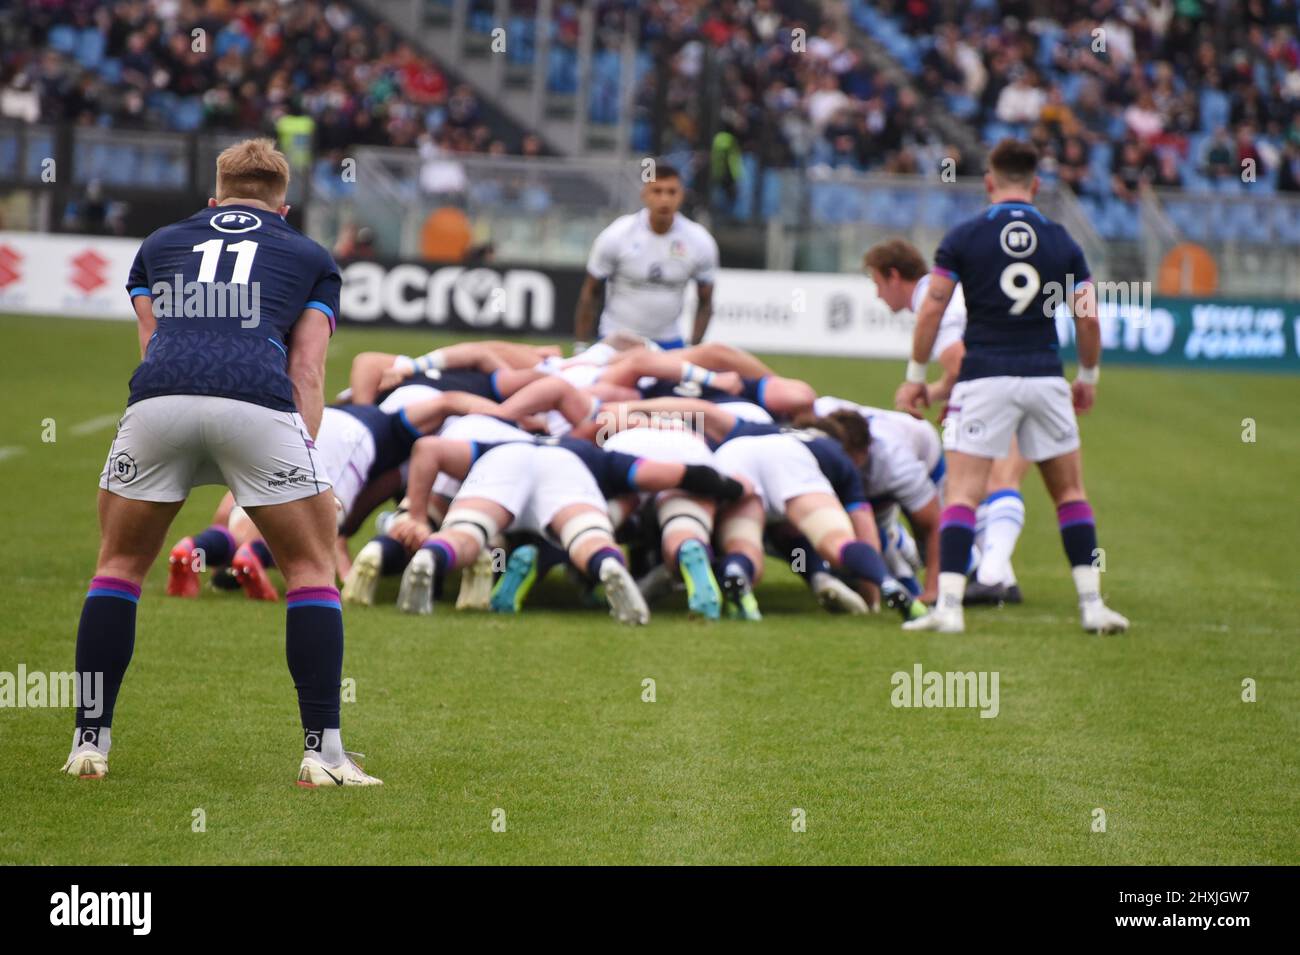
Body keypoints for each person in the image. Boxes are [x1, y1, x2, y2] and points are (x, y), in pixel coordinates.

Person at [63, 138, 381, 787]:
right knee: (313, 567)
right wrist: (307, 467)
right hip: (257, 405)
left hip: (160, 403)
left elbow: (154, 346)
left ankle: (89, 742)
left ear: (213, 197)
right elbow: (309, 370)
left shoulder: (158, 244)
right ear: (283, 207)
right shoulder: (310, 257)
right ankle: (322, 753)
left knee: (118, 567)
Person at [894, 138, 1129, 634]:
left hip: (985, 375)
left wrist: (916, 379)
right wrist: (1086, 377)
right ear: (1037, 184)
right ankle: (1091, 605)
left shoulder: (964, 236)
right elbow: (1087, 318)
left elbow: (933, 307)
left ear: (988, 182)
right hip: (1044, 375)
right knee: (1069, 493)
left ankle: (950, 610)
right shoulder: (1063, 240)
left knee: (962, 494)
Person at [574, 164, 720, 350]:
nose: (664, 199)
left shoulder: (700, 241)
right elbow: (590, 293)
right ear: (644, 195)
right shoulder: (617, 235)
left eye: (671, 192)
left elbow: (706, 302)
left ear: (681, 195)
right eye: (657, 191)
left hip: (670, 343)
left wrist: (694, 348)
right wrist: (580, 346)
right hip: (617, 340)